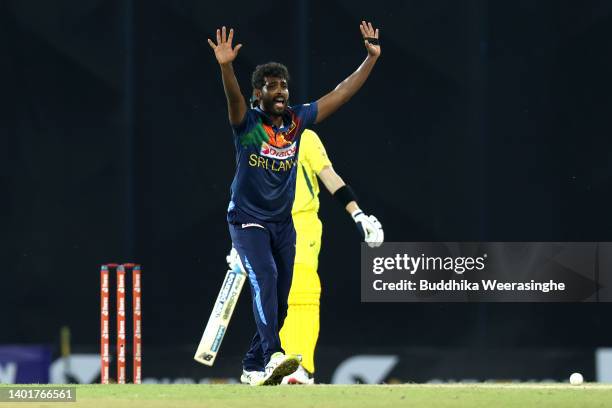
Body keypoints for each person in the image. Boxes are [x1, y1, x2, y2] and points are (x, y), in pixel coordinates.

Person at [207, 21, 381, 386]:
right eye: (272, 87)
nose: (281, 91)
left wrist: (370, 60)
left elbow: (341, 94)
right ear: (259, 95)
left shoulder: (297, 123)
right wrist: (226, 68)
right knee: (267, 279)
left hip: (282, 223)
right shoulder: (250, 125)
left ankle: (252, 365)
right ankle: (272, 357)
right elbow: (235, 101)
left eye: (284, 85)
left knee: (282, 300)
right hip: (247, 219)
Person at [280, 128, 384, 384]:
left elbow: (328, 175)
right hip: (266, 227)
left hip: (301, 224)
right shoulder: (252, 139)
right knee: (274, 298)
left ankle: (300, 366)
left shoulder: (304, 137)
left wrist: (357, 213)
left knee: (301, 291)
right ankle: (280, 362)